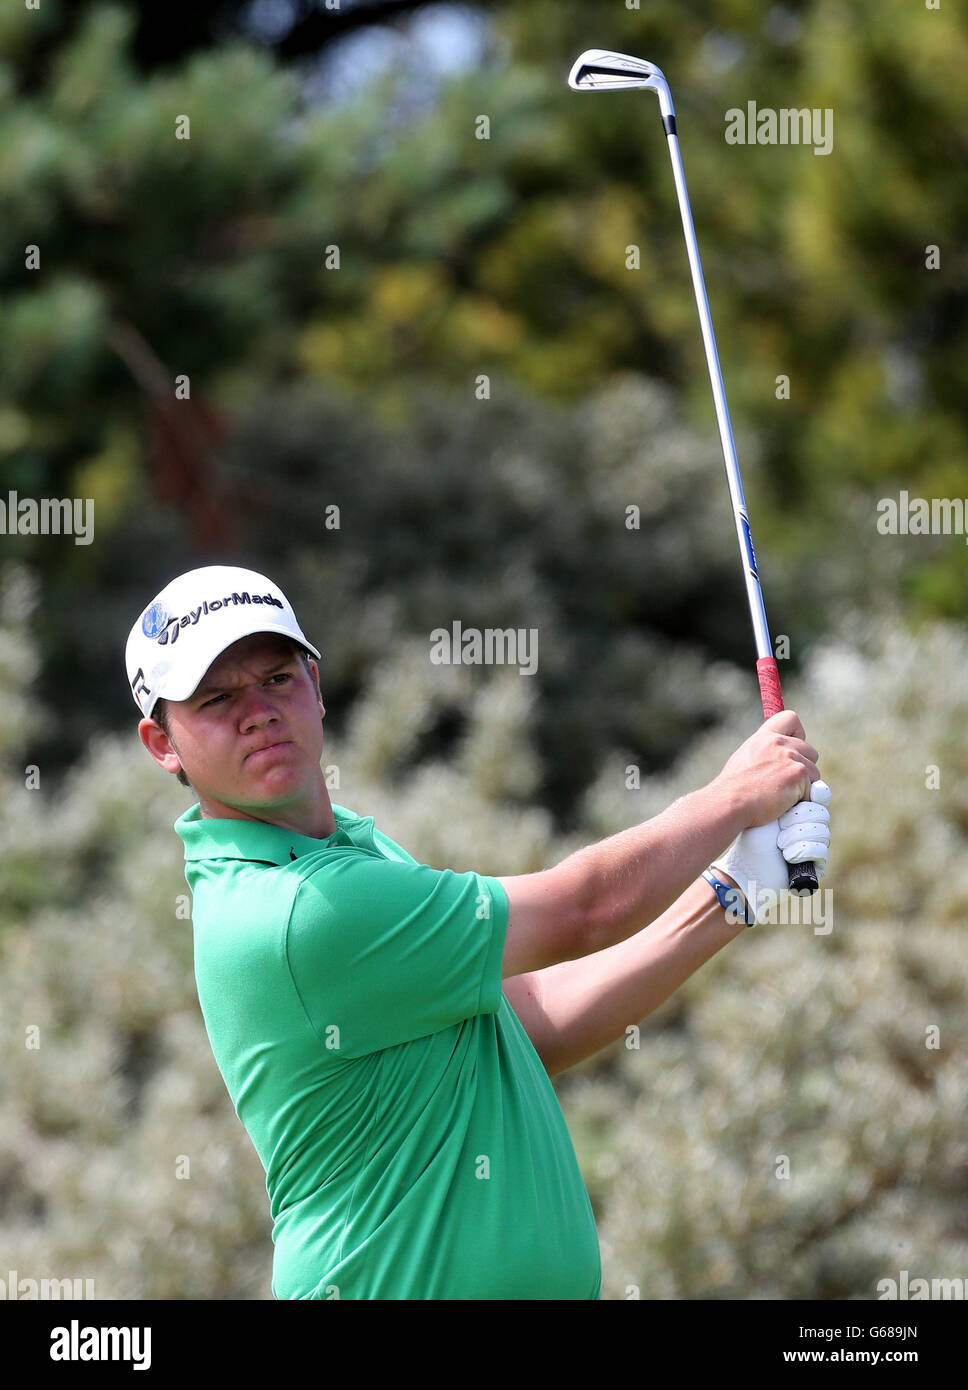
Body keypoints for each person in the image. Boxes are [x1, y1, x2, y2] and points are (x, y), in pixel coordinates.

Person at [126, 564, 831, 1300]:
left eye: (277, 678)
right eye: (215, 699)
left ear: (316, 683)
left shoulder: (350, 853)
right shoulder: (297, 908)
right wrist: (732, 796)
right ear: (161, 743)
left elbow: (527, 1022)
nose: (259, 711)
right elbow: (583, 909)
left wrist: (733, 892)